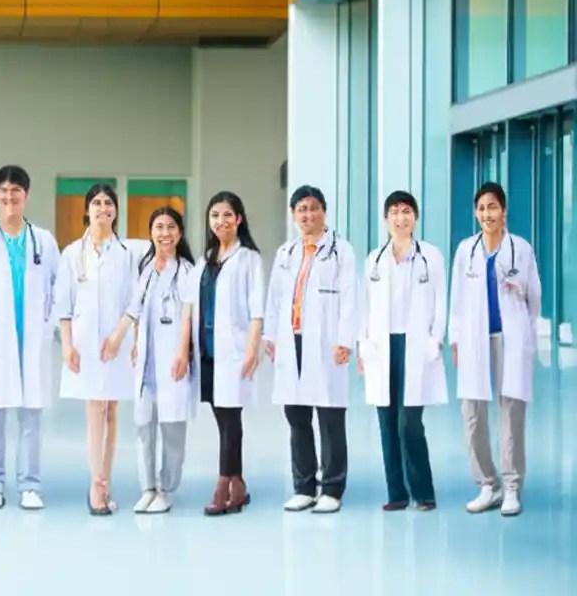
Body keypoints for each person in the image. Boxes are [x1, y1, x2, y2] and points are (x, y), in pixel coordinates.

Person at [0, 165, 61, 512]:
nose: (9, 197)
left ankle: (30, 485)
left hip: (31, 338)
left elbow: (58, 289)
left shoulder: (43, 241)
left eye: (16, 191)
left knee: (32, 416)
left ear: (26, 196)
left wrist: (56, 331)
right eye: (3, 191)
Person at [262, 185, 358, 514]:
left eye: (313, 208)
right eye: (301, 209)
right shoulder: (286, 253)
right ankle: (304, 486)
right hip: (293, 340)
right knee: (296, 415)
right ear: (293, 215)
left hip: (327, 341)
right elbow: (275, 297)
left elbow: (349, 298)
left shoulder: (341, 251)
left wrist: (346, 339)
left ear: (324, 212)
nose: (307, 214)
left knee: (330, 416)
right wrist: (270, 335)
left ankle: (332, 487)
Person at [449, 181, 541, 517]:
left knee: (511, 412)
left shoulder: (522, 249)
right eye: (482, 208)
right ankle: (487, 484)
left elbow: (535, 298)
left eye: (493, 207)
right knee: (472, 414)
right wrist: (455, 337)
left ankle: (512, 486)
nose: (487, 213)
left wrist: (528, 340)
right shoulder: (466, 251)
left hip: (510, 339)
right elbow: (456, 301)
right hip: (474, 340)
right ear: (476, 213)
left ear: (504, 211)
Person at [358, 190, 447, 512]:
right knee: (386, 421)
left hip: (415, 345)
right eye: (394, 212)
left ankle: (424, 492)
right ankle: (396, 493)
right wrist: (362, 345)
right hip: (382, 347)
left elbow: (441, 301)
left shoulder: (430, 256)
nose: (401, 217)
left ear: (415, 217)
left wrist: (435, 338)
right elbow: (364, 306)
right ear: (386, 220)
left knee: (409, 422)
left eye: (406, 211)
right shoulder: (374, 259)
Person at [176, 191, 263, 516]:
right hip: (208, 352)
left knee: (230, 419)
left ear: (239, 219)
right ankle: (238, 484)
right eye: (215, 215)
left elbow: (257, 310)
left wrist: (253, 349)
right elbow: (188, 308)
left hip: (235, 352)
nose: (221, 221)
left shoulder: (249, 259)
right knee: (223, 417)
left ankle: (224, 484)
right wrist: (184, 351)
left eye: (227, 215)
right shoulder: (205, 260)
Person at [105, 206, 196, 514]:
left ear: (179, 233)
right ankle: (148, 488)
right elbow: (135, 308)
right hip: (146, 361)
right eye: (158, 227)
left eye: (170, 227)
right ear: (151, 233)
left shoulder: (185, 270)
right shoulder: (146, 268)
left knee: (171, 430)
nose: (164, 233)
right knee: (144, 428)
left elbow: (187, 315)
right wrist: (121, 338)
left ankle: (167, 489)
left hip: (172, 359)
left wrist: (183, 352)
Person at [56, 183, 136, 516]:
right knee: (94, 411)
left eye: (108, 203)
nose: (102, 208)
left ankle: (106, 478)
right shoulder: (72, 253)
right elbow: (63, 303)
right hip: (85, 342)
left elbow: (135, 300)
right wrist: (67, 344)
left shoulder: (128, 254)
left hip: (117, 340)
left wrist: (119, 337)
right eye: (96, 203)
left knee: (112, 409)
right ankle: (96, 484)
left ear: (115, 211)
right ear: (87, 210)